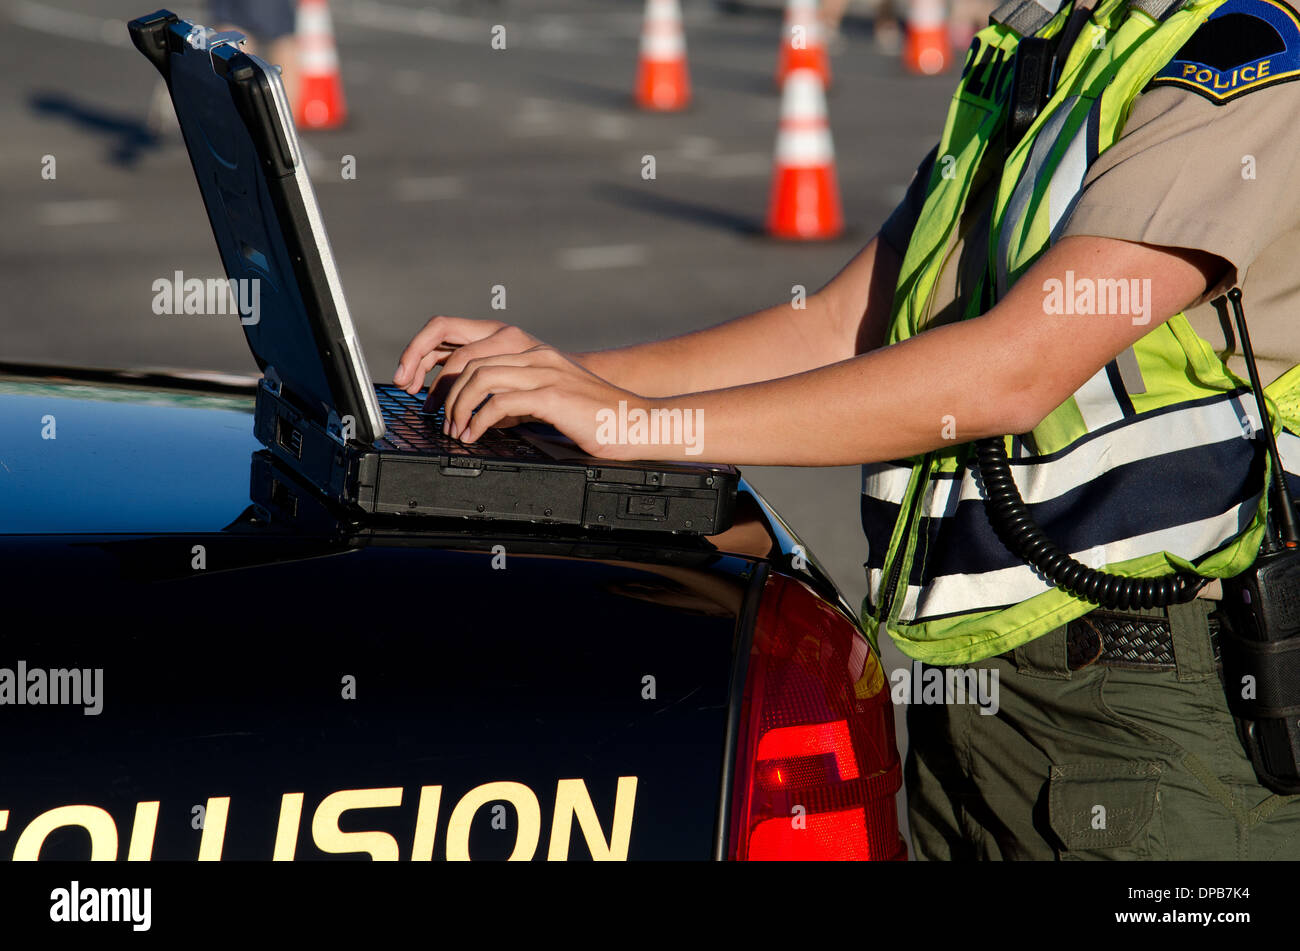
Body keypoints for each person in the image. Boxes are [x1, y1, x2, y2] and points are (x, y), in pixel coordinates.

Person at [394, 0, 1300, 859]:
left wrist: (633, 423)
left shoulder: (1249, 55)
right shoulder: (1055, 40)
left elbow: (1015, 370)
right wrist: (563, 380)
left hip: (1156, 708)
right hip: (986, 691)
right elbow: (842, 321)